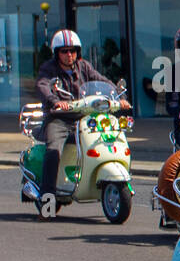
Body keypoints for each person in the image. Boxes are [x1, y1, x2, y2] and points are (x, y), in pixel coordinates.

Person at [34, 29, 122, 221]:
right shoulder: (49, 69)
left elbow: (101, 80)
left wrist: (117, 96)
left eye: (73, 51)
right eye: (64, 51)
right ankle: (46, 203)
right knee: (54, 151)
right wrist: (54, 100)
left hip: (83, 118)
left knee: (105, 140)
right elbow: (42, 85)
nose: (69, 55)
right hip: (59, 118)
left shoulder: (84, 67)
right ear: (57, 53)